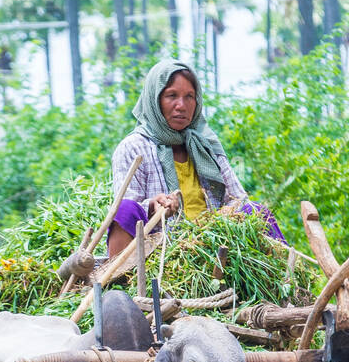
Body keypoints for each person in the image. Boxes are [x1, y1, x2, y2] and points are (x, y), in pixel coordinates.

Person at [108, 58, 284, 257]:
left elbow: (238, 198)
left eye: (189, 97)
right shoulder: (133, 147)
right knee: (124, 209)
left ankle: (287, 283)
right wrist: (152, 206)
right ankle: (119, 278)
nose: (181, 105)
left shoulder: (205, 144)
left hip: (214, 246)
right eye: (171, 96)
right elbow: (125, 211)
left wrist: (225, 215)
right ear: (155, 100)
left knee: (256, 211)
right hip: (161, 251)